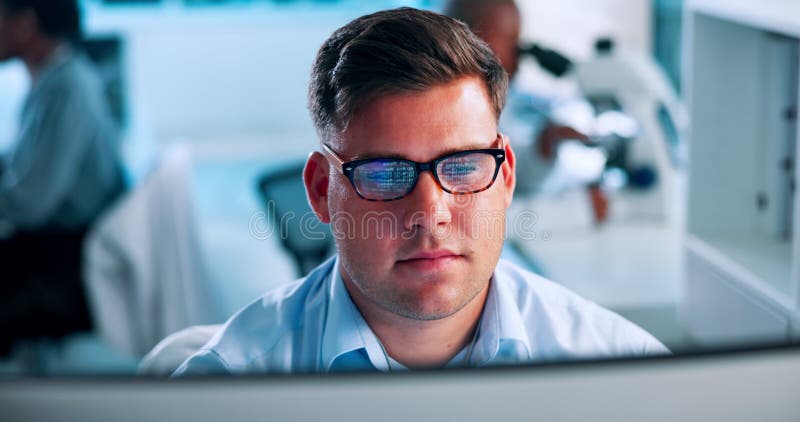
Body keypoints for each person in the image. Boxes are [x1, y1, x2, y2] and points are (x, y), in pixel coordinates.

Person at [174, 7, 666, 375]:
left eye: (464, 166)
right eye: (386, 173)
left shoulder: (620, 368)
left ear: (506, 175)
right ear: (323, 191)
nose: (430, 215)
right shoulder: (231, 383)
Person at [0, 0, 125, 354]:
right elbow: (25, 162)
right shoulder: (57, 77)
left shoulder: (66, 88)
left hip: (63, 267)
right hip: (55, 248)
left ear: (25, 25)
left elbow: (28, 204)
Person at [444, 0, 609, 223]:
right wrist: (579, 210)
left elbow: (512, 177)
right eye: (512, 41)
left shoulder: (492, 103)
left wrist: (545, 144)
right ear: (474, 39)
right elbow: (480, 217)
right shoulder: (453, 111)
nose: (520, 54)